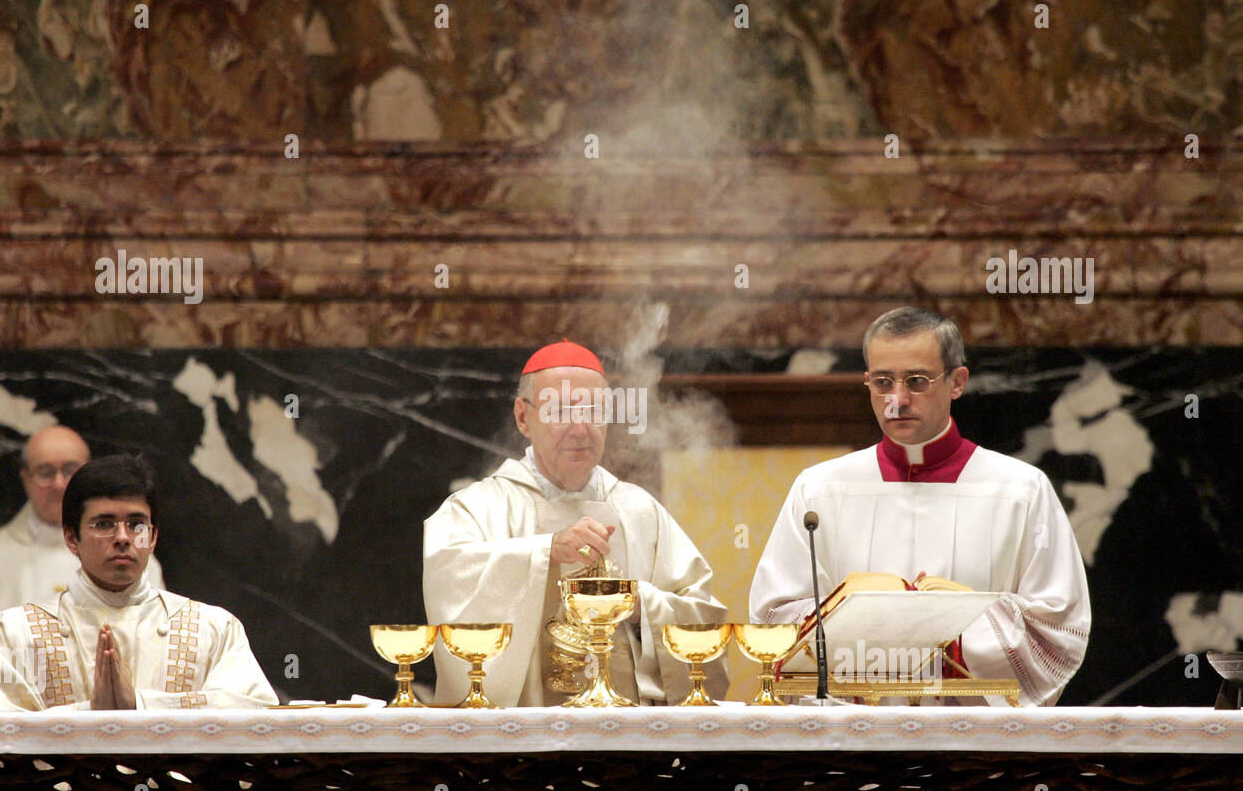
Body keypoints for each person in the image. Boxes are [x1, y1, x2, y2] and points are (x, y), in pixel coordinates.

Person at [749, 307, 1090, 706]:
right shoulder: (819, 490)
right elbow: (773, 620)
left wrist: (961, 618)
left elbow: (1056, 631)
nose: (897, 400)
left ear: (957, 382)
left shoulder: (1021, 490)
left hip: (976, 749)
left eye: (916, 381)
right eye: (882, 382)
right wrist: (849, 606)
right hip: (854, 746)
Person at [423, 341, 727, 706]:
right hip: (516, 743)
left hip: (624, 742)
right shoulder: (474, 509)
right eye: (561, 411)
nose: (580, 428)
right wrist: (543, 552)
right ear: (523, 417)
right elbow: (451, 587)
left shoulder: (641, 511)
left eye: (594, 411)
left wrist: (637, 605)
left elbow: (704, 620)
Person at [0, 455, 276, 711]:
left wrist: (140, 705)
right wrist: (90, 713)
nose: (123, 538)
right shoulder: (14, 634)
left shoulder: (213, 629)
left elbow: (253, 716)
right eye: (104, 524)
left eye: (137, 524)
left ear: (153, 537)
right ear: (72, 538)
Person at [0, 426, 165, 710]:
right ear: (26, 479)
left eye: (71, 470)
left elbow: (156, 655)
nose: (60, 484)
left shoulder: (133, 555)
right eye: (46, 472)